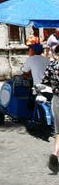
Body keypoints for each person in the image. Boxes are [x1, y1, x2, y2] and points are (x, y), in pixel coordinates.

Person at [41, 45, 59, 173]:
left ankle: (55, 153)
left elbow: (45, 81)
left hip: (56, 99)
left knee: (58, 130)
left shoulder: (52, 66)